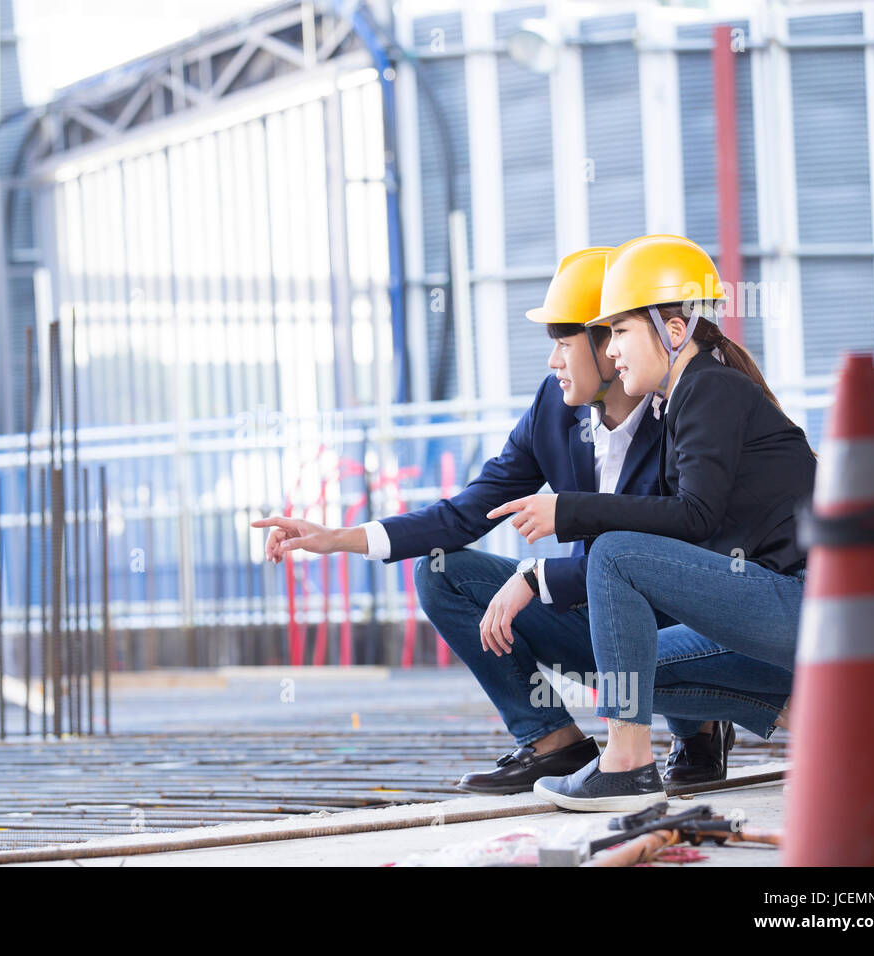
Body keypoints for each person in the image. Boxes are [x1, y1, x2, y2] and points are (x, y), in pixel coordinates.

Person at [252, 246, 791, 795]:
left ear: (609, 345)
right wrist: (341, 538)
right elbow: (467, 511)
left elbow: (683, 542)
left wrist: (537, 575)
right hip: (607, 622)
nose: (554, 362)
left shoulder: (680, 410)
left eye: (563, 344)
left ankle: (695, 732)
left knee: (626, 566)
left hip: (681, 619)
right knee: (443, 573)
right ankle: (552, 742)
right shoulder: (555, 413)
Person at [491, 234, 816, 812]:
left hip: (801, 607)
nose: (610, 351)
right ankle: (810, 707)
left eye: (619, 331)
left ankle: (626, 764)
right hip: (777, 622)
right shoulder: (685, 400)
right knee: (619, 672)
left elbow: (693, 517)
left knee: (615, 552)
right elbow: (684, 527)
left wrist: (566, 512)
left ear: (673, 330)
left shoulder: (711, 388)